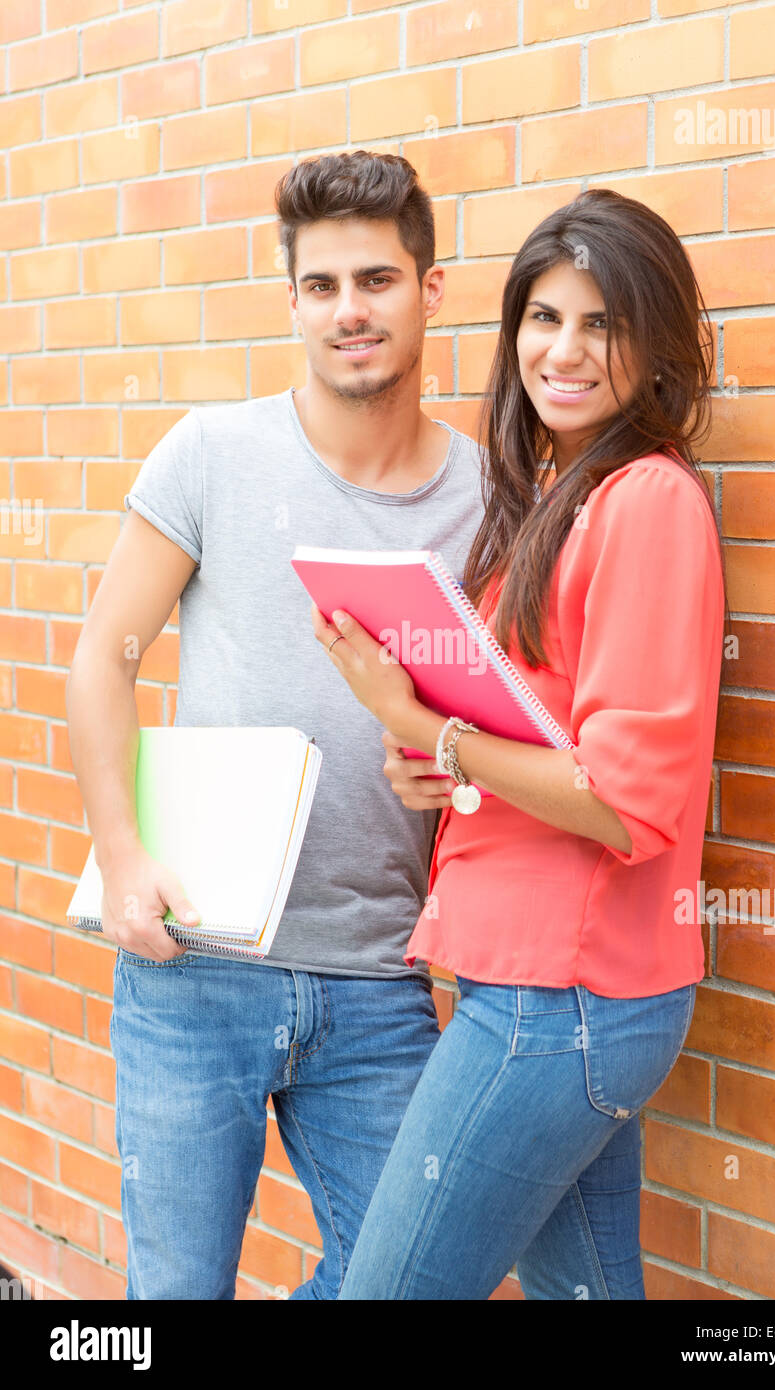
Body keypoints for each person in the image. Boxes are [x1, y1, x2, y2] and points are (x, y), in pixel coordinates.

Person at [64, 150, 486, 1300]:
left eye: (376, 281)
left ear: (430, 289)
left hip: (377, 980)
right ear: (293, 296)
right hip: (194, 963)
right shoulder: (212, 454)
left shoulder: (489, 499)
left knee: (411, 1280)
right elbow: (102, 659)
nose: (348, 311)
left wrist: (455, 781)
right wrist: (121, 854)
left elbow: (502, 725)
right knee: (172, 1296)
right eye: (320, 286)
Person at [312, 187, 727, 1300]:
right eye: (543, 317)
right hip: (546, 990)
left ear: (658, 343)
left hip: (564, 1000)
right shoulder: (559, 497)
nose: (565, 349)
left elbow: (624, 797)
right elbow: (537, 746)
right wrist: (442, 765)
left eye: (601, 322)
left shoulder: (644, 502)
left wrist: (426, 728)